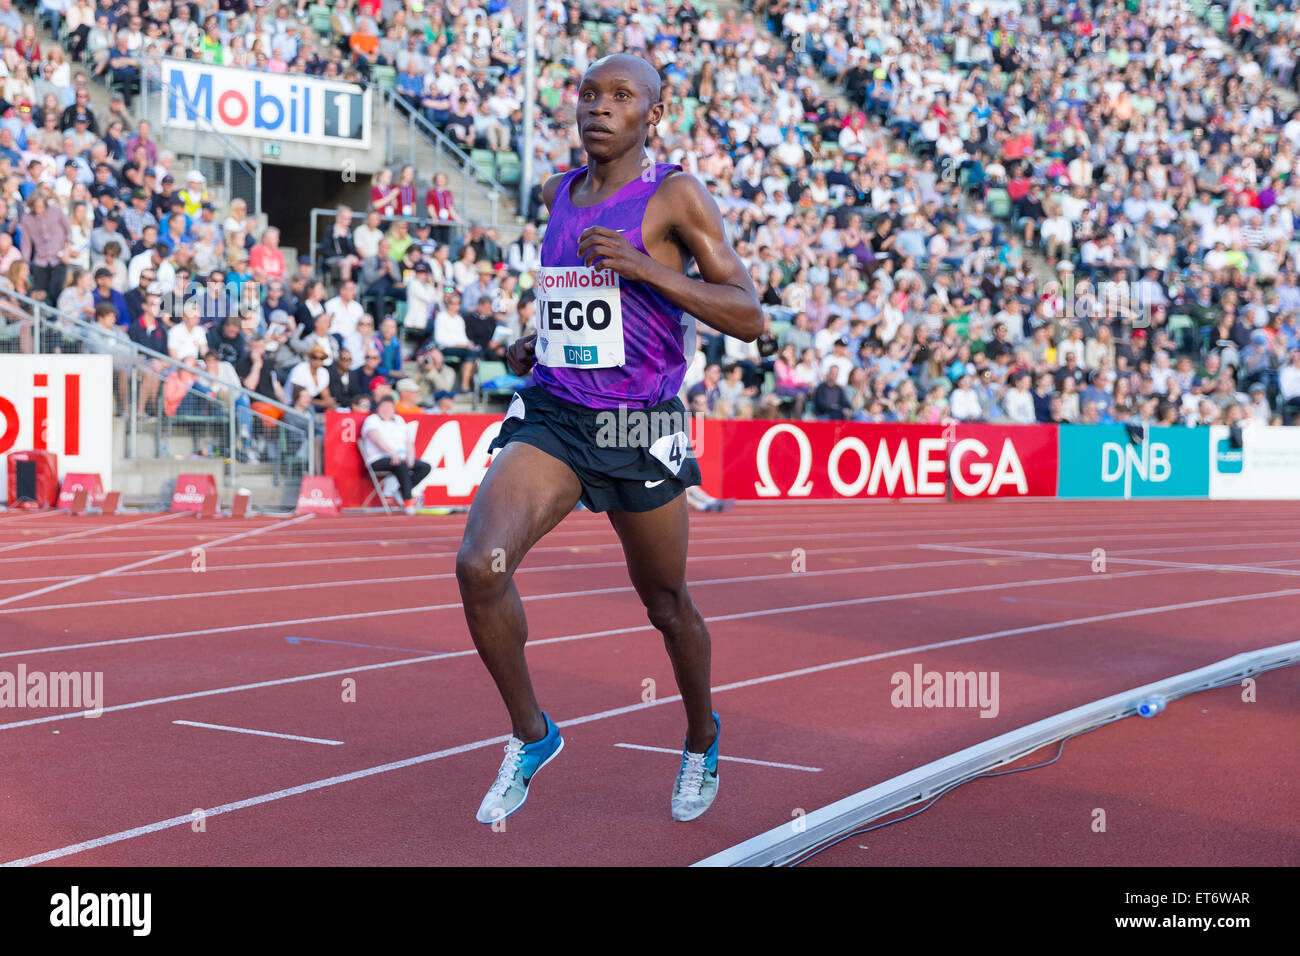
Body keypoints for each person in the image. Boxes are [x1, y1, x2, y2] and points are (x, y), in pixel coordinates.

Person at [458, 54, 761, 826]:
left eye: (621, 97)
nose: (599, 108)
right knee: (479, 565)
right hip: (556, 413)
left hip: (639, 424)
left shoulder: (674, 195)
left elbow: (750, 314)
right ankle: (532, 735)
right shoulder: (560, 192)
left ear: (651, 115)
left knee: (665, 605)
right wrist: (530, 348)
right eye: (590, 94)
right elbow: (578, 312)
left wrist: (646, 268)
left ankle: (700, 734)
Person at [360, 394, 430, 514]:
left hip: (400, 458)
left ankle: (401, 491)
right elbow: (376, 440)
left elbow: (408, 441)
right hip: (378, 459)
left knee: (424, 467)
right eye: (384, 407)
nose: (386, 410)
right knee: (401, 464)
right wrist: (392, 453)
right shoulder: (372, 420)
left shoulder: (399, 420)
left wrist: (410, 457)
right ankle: (407, 500)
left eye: (389, 407)